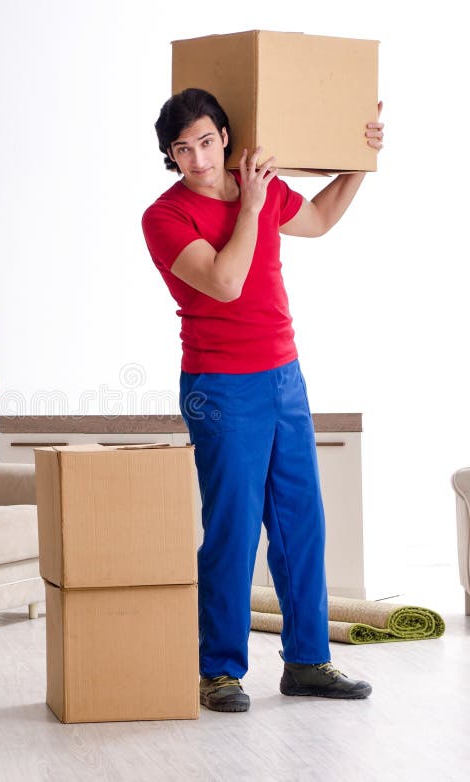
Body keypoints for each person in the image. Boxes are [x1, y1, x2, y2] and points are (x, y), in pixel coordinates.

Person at [141, 88, 384, 713]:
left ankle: (307, 661)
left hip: (283, 375)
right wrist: (250, 204)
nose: (196, 159)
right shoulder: (165, 217)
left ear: (224, 135)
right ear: (171, 156)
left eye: (204, 142)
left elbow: (322, 219)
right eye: (181, 150)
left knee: (303, 520)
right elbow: (224, 283)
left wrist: (358, 162)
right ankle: (218, 671)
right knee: (234, 528)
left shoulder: (262, 190)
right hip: (220, 385)